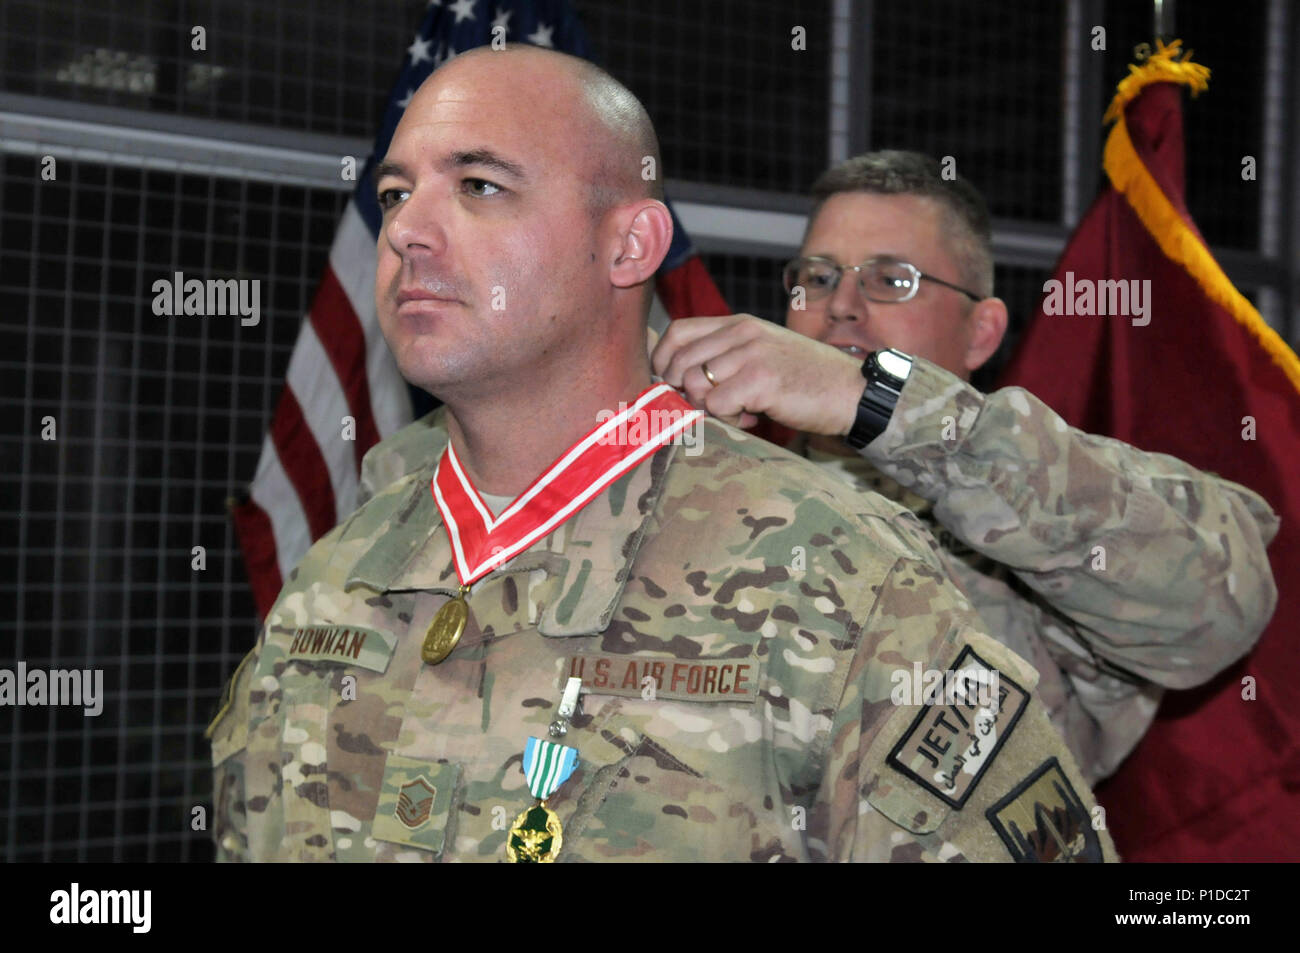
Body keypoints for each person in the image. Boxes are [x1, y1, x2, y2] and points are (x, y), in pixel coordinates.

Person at [209, 46, 1117, 862]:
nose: (405, 228)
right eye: (396, 193)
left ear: (629, 244)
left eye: (479, 185)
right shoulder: (338, 576)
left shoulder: (833, 578)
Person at [647, 151, 1280, 784]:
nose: (839, 305)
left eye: (892, 280)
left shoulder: (1041, 505)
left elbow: (1216, 614)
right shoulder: (713, 486)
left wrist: (874, 401)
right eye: (816, 277)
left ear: (982, 333)